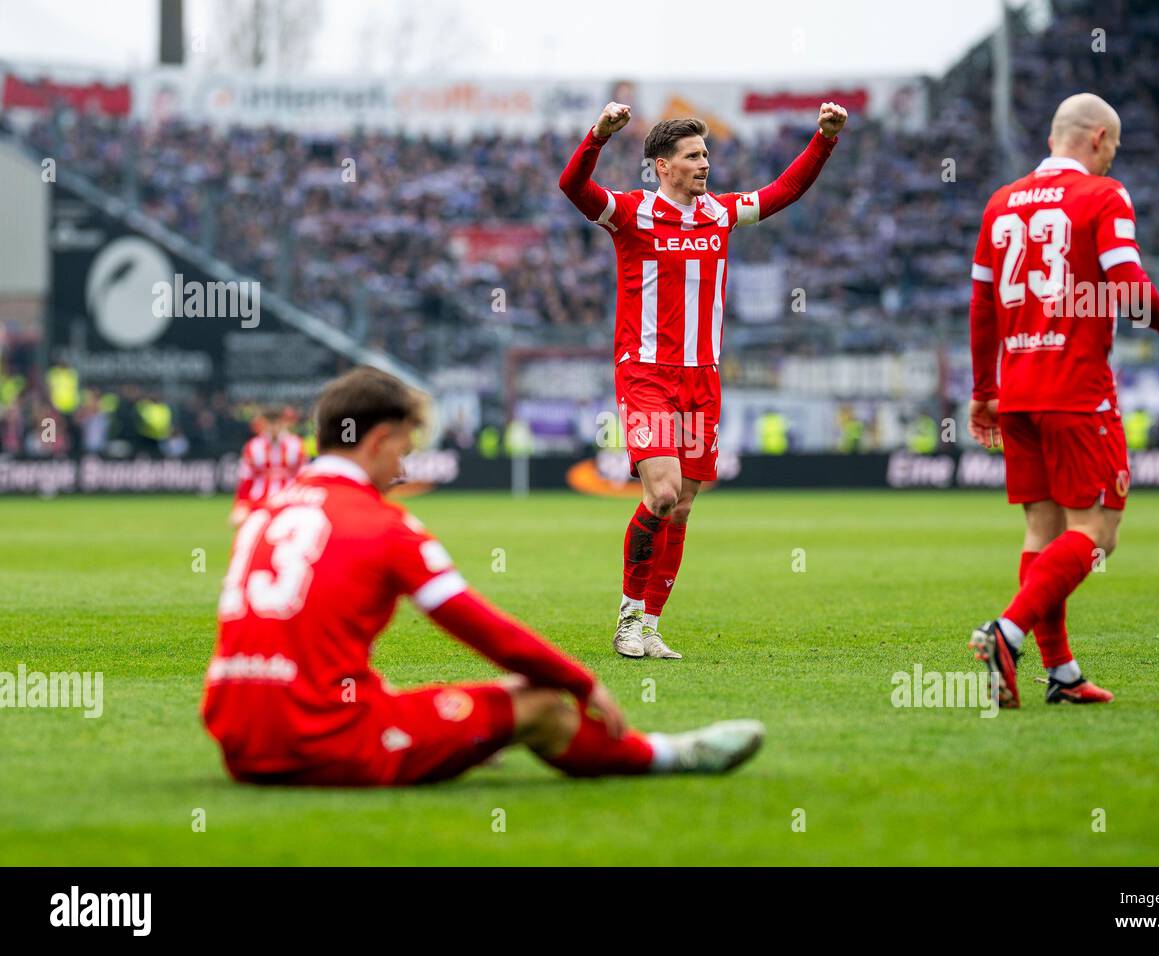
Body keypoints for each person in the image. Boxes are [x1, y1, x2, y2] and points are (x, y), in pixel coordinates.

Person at [202, 367, 763, 786]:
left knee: (439, 700)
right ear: (375, 442)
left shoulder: (265, 515)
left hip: (237, 735)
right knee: (540, 703)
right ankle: (670, 755)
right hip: (318, 742)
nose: (403, 468)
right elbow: (481, 627)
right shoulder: (384, 525)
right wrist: (581, 682)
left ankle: (456, 736)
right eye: (403, 449)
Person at [560, 99, 847, 659]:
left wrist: (825, 139)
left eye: (706, 154)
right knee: (661, 493)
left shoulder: (720, 213)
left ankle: (650, 623)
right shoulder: (629, 213)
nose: (704, 163)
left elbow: (784, 191)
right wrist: (597, 135)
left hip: (702, 381)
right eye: (692, 155)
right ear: (662, 166)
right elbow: (572, 186)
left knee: (683, 506)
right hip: (645, 375)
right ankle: (628, 615)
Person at [966, 93, 1159, 707]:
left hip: (1018, 391)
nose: (1113, 157)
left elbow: (982, 307)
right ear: (1098, 138)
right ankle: (1006, 632)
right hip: (1077, 390)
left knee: (1043, 528)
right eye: (1113, 145)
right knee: (1099, 531)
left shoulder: (1001, 201)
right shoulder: (1102, 196)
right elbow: (1129, 286)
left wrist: (985, 392)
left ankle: (1060, 672)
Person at [230, 406, 307, 527]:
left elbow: (304, 478)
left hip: (289, 502)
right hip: (259, 502)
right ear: (264, 424)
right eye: (270, 423)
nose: (274, 427)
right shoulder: (253, 446)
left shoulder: (297, 445)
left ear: (284, 423)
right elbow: (245, 481)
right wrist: (240, 506)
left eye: (277, 423)